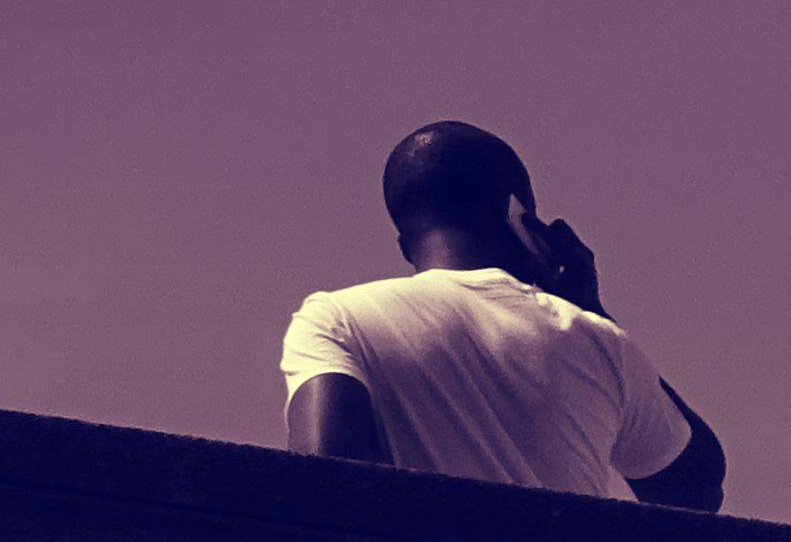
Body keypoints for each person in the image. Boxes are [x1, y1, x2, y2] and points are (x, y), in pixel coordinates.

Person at [281, 121, 726, 512]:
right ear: (519, 216)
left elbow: (322, 483)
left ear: (405, 245)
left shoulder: (338, 318)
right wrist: (594, 310)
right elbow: (696, 490)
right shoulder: (595, 340)